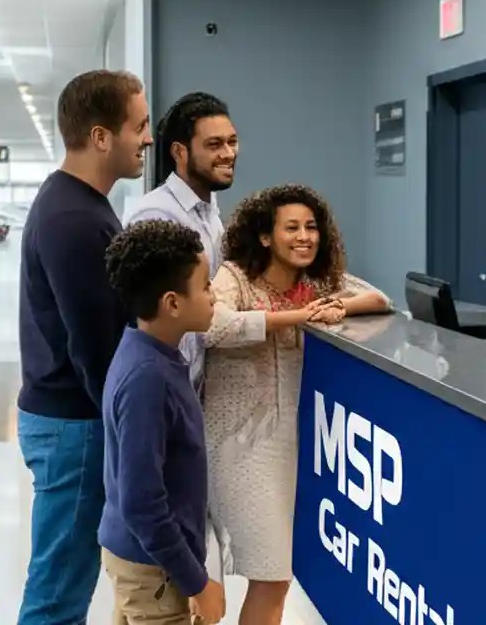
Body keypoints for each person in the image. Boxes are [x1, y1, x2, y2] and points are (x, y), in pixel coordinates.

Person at [203, 184, 390, 624]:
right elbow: (213, 325)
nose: (305, 236)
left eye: (311, 227)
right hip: (240, 446)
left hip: (293, 448)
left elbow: (379, 299)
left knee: (275, 577)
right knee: (267, 576)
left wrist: (338, 308)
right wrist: (300, 317)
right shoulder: (235, 276)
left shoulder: (316, 283)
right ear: (266, 236)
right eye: (292, 228)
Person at [16, 69, 152, 625]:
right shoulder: (74, 218)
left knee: (64, 582)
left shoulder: (79, 204)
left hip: (70, 421)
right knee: (58, 594)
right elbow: (95, 349)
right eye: (139, 126)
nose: (147, 138)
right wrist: (131, 434)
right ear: (101, 137)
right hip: (75, 425)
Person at [99, 220, 225, 625]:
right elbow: (142, 502)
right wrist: (196, 582)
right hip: (152, 571)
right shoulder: (147, 379)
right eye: (205, 286)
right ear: (172, 303)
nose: (213, 296)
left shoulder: (150, 354)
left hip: (144, 559)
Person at [125, 92, 239, 393]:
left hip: (195, 383)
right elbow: (153, 316)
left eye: (232, 141)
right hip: (166, 386)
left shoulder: (210, 211)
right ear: (180, 152)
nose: (228, 153)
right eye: (214, 144)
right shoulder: (156, 214)